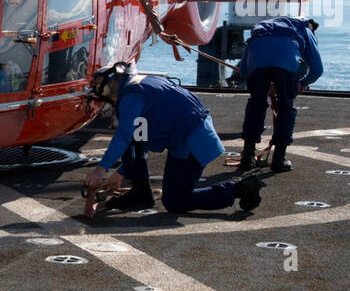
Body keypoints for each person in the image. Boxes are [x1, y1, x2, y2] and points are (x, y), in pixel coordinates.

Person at [83, 63, 263, 215]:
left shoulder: (131, 96)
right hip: (191, 137)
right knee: (135, 142)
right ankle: (141, 193)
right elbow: (139, 140)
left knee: (176, 202)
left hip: (193, 143)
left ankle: (241, 189)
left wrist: (100, 171)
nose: (102, 92)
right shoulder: (143, 83)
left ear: (111, 84)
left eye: (101, 87)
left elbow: (124, 135)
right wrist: (121, 172)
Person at [237, 16, 323, 172]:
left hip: (258, 59)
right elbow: (317, 70)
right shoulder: (305, 29)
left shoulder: (263, 26)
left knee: (256, 105)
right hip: (286, 59)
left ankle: (247, 157)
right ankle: (279, 159)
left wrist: (263, 82)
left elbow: (244, 70)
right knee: (285, 108)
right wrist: (301, 83)